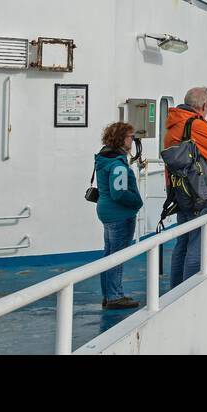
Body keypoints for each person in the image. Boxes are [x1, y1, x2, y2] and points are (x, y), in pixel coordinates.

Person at [164, 86, 207, 288]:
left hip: (179, 192)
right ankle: (189, 291)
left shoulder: (171, 124)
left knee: (182, 244)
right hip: (199, 193)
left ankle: (175, 289)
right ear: (204, 106)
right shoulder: (195, 125)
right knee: (198, 244)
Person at [94, 121, 144, 310]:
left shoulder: (104, 158)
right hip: (119, 215)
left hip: (106, 212)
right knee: (117, 256)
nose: (133, 140)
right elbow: (119, 192)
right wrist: (136, 201)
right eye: (131, 136)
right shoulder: (118, 165)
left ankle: (108, 295)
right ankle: (115, 296)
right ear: (122, 139)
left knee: (108, 254)